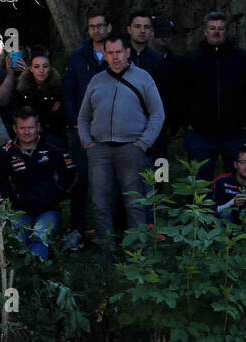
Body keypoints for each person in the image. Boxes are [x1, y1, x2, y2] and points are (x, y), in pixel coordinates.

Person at [77, 34, 164, 248]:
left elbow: (158, 114)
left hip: (131, 148)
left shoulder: (143, 78)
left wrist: (142, 144)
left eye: (119, 52)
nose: (115, 57)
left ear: (127, 52)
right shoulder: (96, 81)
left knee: (135, 201)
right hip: (100, 150)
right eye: (110, 53)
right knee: (100, 201)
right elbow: (83, 117)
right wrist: (88, 143)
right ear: (104, 55)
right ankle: (106, 250)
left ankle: (138, 251)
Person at [176, 12, 246, 180]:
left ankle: (239, 207)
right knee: (199, 183)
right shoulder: (190, 60)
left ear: (226, 31)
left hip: (236, 134)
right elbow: (181, 94)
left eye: (221, 28)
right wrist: (186, 123)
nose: (216, 32)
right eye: (212, 28)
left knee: (239, 182)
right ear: (205, 31)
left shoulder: (242, 59)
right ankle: (199, 208)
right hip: (200, 135)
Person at [0, 107, 76, 260]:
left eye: (30, 127)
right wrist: (13, 196)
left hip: (48, 209)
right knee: (16, 241)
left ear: (38, 127)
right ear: (15, 129)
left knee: (39, 238)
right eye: (22, 128)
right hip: (20, 210)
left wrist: (57, 193)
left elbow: (69, 174)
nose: (27, 132)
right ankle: (16, 276)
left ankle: (33, 274)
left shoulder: (53, 146)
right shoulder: (6, 152)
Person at [61, 10, 112, 248]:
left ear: (109, 28)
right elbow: (68, 92)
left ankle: (110, 233)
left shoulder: (117, 53)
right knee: (81, 179)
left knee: (111, 180)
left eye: (101, 26)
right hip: (83, 130)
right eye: (92, 27)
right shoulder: (78, 57)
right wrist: (73, 122)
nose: (97, 30)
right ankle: (78, 230)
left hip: (112, 130)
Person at [126, 10, 169, 160]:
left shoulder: (159, 61)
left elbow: (167, 96)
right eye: (137, 26)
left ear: (151, 31)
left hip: (156, 130)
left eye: (146, 27)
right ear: (129, 29)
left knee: (159, 175)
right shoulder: (118, 59)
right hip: (124, 131)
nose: (142, 31)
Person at [12, 49, 64, 147]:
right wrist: (50, 112)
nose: (41, 70)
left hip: (56, 135)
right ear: (30, 68)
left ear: (50, 67)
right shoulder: (21, 89)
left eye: (45, 66)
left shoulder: (59, 86)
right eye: (36, 67)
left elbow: (60, 116)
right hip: (29, 138)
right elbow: (21, 115)